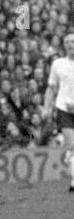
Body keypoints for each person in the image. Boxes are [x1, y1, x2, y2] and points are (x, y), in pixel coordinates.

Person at [42, 32, 74, 191]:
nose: (70, 45)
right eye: (67, 42)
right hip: (64, 109)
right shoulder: (58, 64)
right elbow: (51, 87)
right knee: (72, 144)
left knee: (72, 149)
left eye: (73, 42)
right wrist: (46, 107)